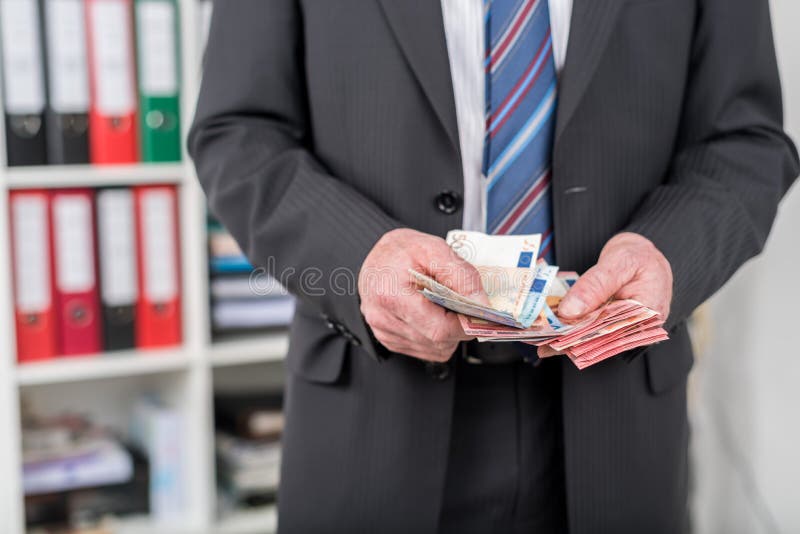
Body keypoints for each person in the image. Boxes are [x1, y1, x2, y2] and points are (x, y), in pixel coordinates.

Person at [189, 0, 799, 532]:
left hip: (618, 421)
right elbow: (238, 131)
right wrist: (359, 256)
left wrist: (669, 252)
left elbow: (744, 139)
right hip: (370, 416)